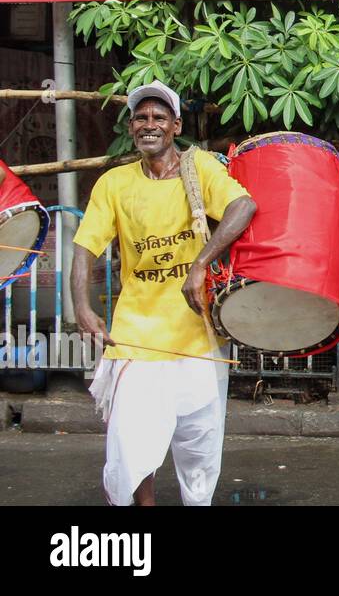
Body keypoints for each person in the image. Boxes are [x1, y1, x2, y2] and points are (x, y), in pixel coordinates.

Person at [71, 80, 256, 506]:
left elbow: (242, 206)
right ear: (132, 127)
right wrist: (81, 306)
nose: (148, 124)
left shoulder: (201, 170)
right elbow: (85, 246)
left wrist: (199, 264)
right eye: (140, 118)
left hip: (198, 335)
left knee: (199, 452)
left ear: (175, 126)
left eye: (158, 117)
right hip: (137, 336)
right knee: (132, 444)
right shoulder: (114, 184)